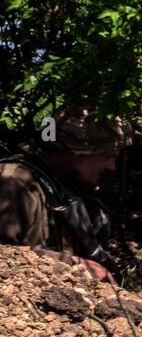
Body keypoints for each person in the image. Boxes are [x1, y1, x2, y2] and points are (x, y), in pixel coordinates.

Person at [0, 106, 131, 283]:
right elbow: (4, 257)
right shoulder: (15, 181)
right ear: (78, 151)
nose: (111, 166)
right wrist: (69, 264)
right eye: (107, 155)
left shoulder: (67, 186)